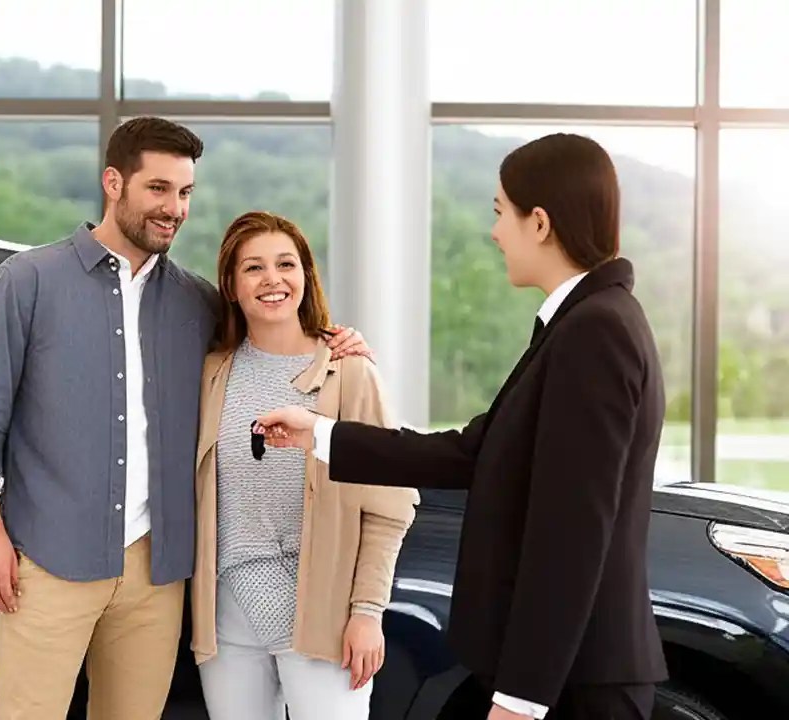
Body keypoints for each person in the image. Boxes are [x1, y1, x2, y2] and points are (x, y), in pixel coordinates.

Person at [0, 116, 370, 720]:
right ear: (114, 183)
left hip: (157, 574)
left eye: (186, 192)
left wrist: (335, 341)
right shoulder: (30, 281)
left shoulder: (197, 302)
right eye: (159, 189)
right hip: (47, 561)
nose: (175, 208)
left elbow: (268, 333)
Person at [256, 133, 669, 720]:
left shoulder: (595, 332)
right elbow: (473, 452)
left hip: (573, 681)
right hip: (570, 672)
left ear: (541, 223)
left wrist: (521, 700)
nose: (496, 231)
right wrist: (320, 433)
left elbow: (572, 532)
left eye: (502, 213)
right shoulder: (584, 323)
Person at [189, 211, 419, 719]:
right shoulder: (210, 374)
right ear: (230, 285)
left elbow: (389, 508)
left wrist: (366, 612)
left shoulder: (350, 374)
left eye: (285, 264)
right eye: (253, 268)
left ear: (305, 276)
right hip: (227, 622)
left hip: (325, 619)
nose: (272, 280)